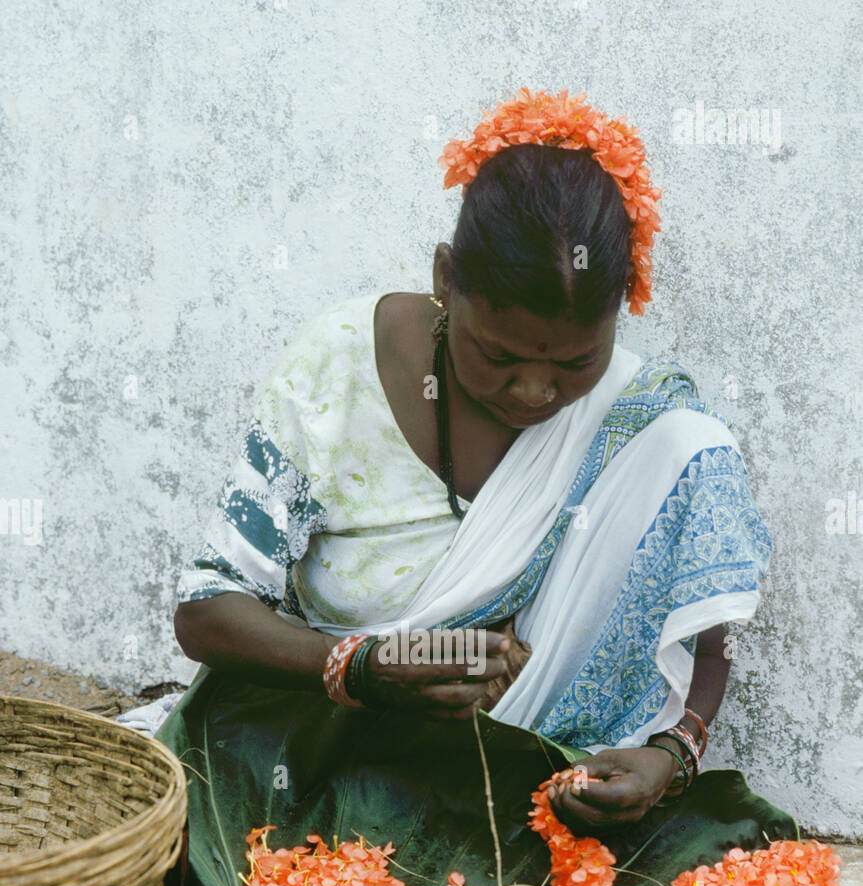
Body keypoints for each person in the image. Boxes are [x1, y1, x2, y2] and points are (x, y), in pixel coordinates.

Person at [171, 87, 770, 834]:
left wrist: (669, 755)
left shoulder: (641, 434)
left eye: (573, 363)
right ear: (444, 279)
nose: (533, 391)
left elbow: (709, 643)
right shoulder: (339, 370)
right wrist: (359, 669)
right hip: (325, 763)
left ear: (621, 306)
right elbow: (206, 611)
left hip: (538, 795)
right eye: (497, 356)